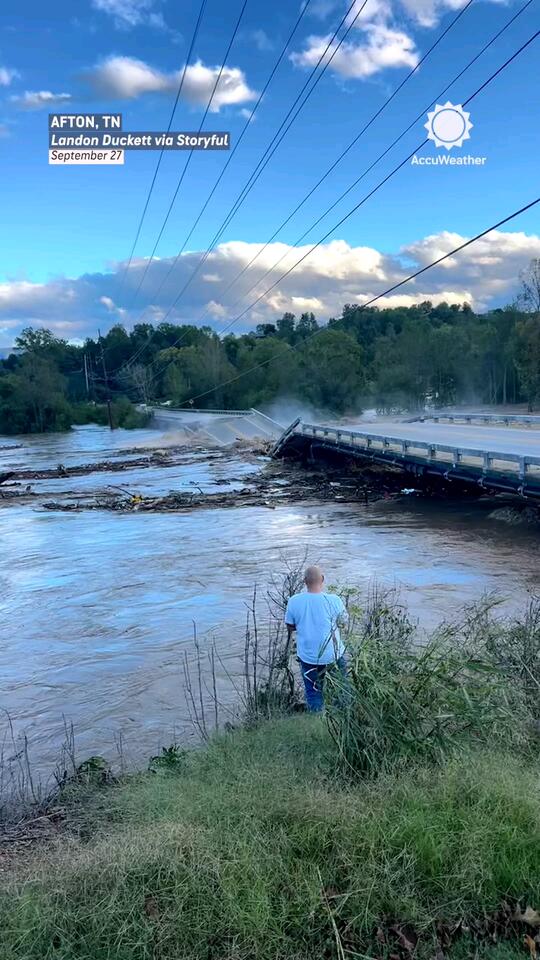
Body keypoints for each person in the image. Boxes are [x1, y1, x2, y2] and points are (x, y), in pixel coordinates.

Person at [285, 565, 348, 712]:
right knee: (342, 688)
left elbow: (290, 626)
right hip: (333, 654)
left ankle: (317, 720)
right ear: (323, 579)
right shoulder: (334, 600)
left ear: (304, 581)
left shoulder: (294, 601)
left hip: (308, 657)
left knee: (313, 692)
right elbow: (343, 622)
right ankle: (345, 716)